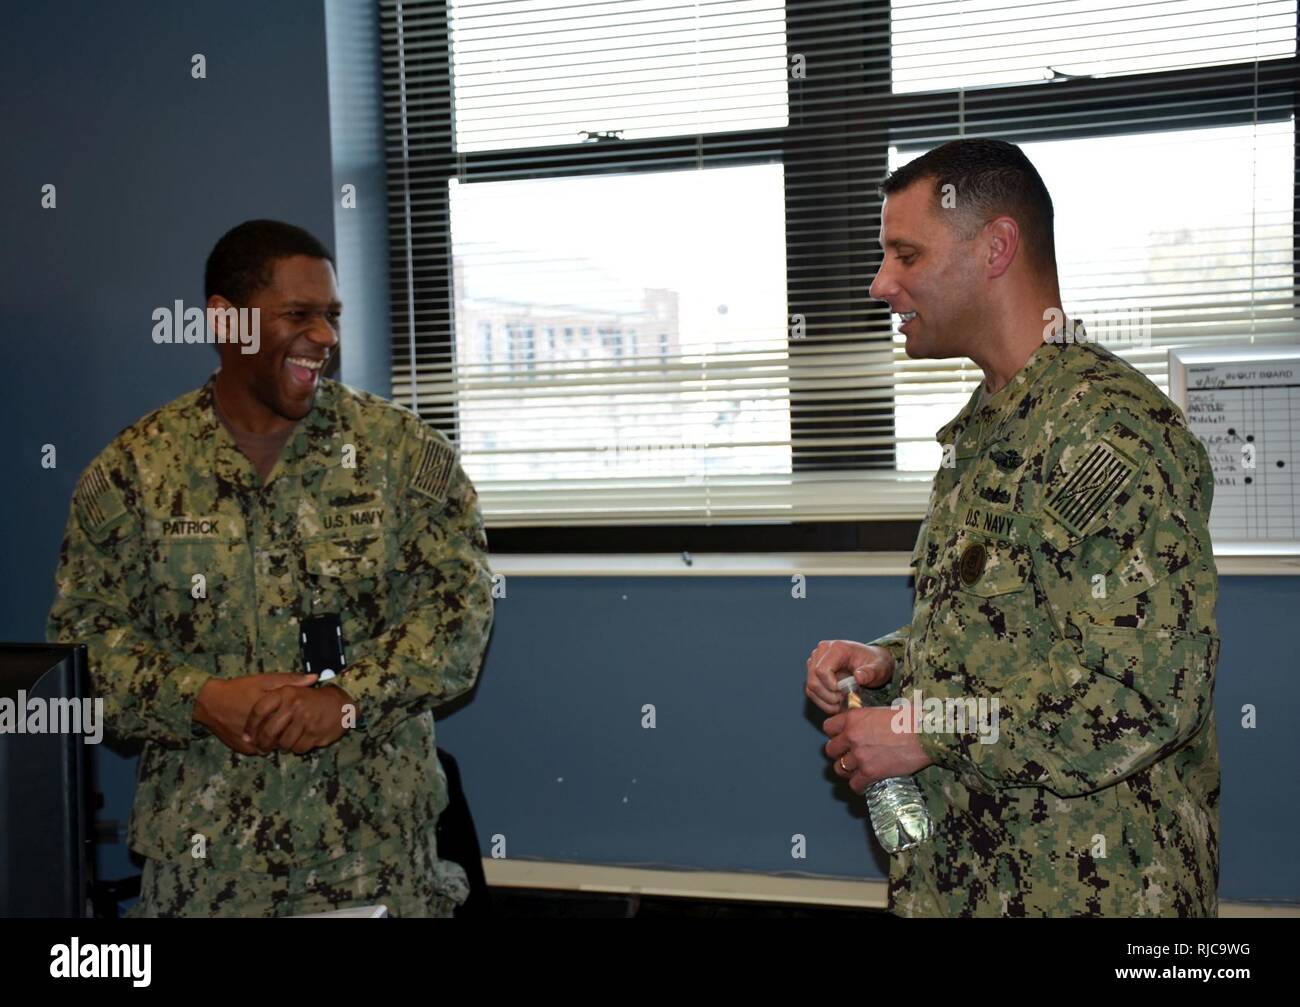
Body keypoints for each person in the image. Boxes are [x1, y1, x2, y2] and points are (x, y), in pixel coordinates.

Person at [804, 139, 1220, 917]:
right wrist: (894, 664)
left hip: (1089, 888)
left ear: (995, 247)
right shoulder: (994, 427)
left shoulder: (1108, 435)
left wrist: (929, 728)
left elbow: (1144, 692)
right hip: (976, 880)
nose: (881, 284)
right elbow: (1019, 630)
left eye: (906, 254)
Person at [48, 219, 493, 917]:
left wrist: (348, 697)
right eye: (298, 314)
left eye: (332, 316)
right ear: (225, 320)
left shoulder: (399, 455)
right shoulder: (135, 472)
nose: (325, 337)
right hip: (204, 864)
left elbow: (458, 617)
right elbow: (83, 650)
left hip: (372, 855)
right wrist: (198, 696)